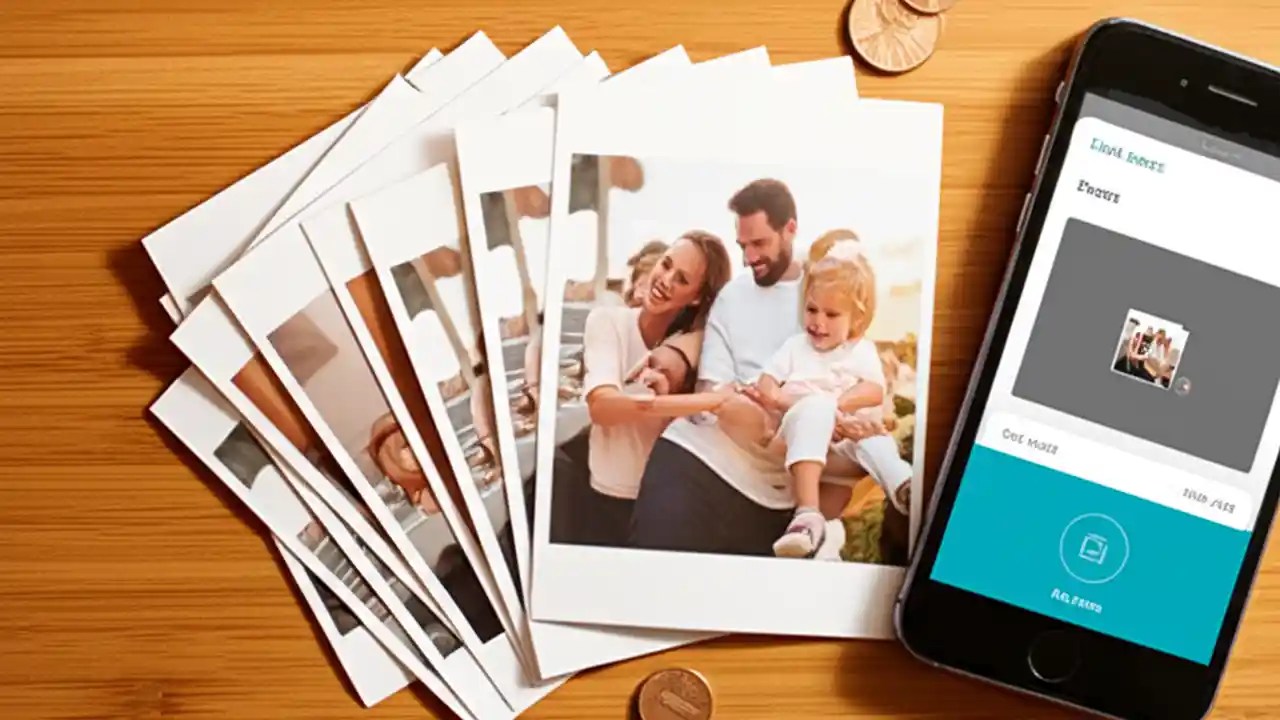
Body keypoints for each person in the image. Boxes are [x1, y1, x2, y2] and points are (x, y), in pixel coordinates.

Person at [628, 179, 889, 557]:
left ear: (790, 230)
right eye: (743, 246)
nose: (749, 258)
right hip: (702, 458)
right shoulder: (732, 298)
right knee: (655, 566)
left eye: (760, 243)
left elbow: (858, 412)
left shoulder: (830, 298)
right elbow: (713, 393)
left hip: (782, 490)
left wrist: (810, 422)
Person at [715, 235, 912, 558]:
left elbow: (873, 390)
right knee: (814, 409)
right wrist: (784, 401)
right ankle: (807, 514)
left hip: (843, 439)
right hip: (800, 433)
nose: (818, 322)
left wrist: (838, 408)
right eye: (811, 310)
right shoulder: (795, 348)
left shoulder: (860, 351)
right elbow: (767, 383)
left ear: (856, 320)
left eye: (832, 315)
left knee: (876, 442)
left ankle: (904, 487)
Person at [571, 232, 733, 546]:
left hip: (666, 506)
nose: (665, 280)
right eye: (666, 264)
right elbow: (602, 408)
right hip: (607, 498)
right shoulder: (608, 322)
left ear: (698, 297)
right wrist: (701, 402)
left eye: (682, 279)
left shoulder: (703, 350)